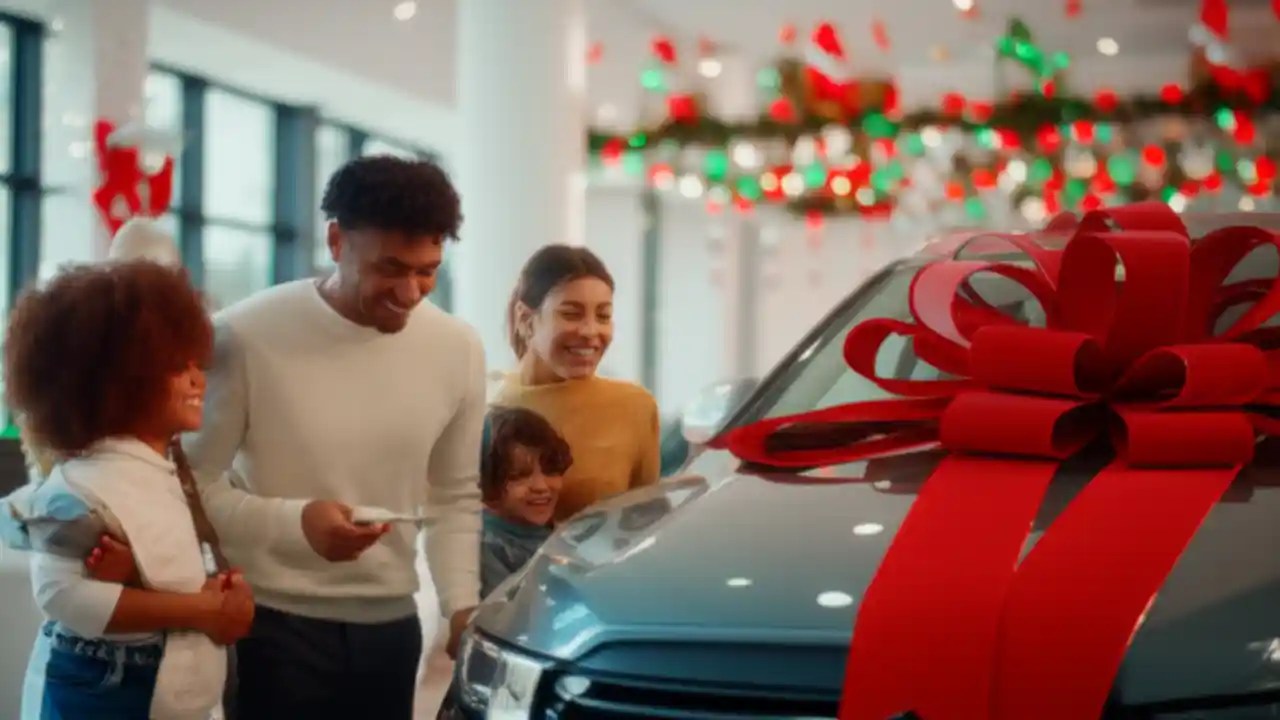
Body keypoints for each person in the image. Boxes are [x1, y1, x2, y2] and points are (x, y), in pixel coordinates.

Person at [181, 155, 485, 719]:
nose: (411, 291)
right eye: (390, 267)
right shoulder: (246, 337)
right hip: (270, 626)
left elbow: (454, 497)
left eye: (428, 269)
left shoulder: (458, 349)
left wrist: (462, 606)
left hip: (393, 627)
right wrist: (297, 523)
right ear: (337, 240)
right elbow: (193, 485)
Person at [0, 261, 254, 719]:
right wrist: (199, 610)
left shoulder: (166, 474)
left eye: (197, 363)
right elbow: (63, 596)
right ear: (119, 380)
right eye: (178, 368)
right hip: (101, 694)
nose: (199, 380)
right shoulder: (81, 487)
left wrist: (216, 594)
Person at [492, 245, 661, 522]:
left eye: (603, 316)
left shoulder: (634, 407)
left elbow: (644, 526)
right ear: (526, 319)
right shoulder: (485, 399)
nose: (591, 331)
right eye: (571, 314)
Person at [479, 406, 570, 597]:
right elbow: (504, 619)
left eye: (550, 470)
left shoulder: (559, 533)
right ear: (485, 481)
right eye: (519, 476)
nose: (541, 486)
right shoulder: (487, 548)